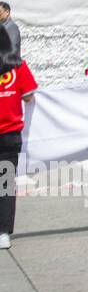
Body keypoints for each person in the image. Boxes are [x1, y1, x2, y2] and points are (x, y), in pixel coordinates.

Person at [0, 25, 36, 249]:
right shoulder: (18, 66)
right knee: (5, 182)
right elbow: (29, 96)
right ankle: (3, 232)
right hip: (10, 134)